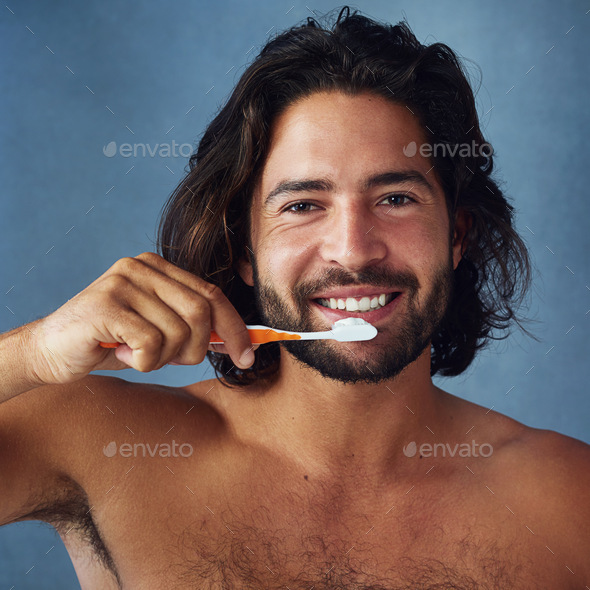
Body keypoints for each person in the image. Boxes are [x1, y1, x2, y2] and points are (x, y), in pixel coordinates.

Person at [1, 7, 588, 589]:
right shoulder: (103, 444)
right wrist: (32, 355)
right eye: (303, 205)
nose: (354, 251)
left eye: (396, 199)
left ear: (457, 237)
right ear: (244, 254)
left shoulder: (567, 499)